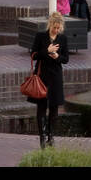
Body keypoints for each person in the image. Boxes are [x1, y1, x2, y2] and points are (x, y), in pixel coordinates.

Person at [29, 11, 70, 148]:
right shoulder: (40, 36)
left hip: (56, 77)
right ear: (50, 25)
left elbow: (66, 59)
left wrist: (57, 56)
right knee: (41, 107)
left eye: (58, 28)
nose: (56, 30)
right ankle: (42, 137)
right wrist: (47, 51)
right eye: (54, 27)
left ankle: (51, 137)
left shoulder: (63, 38)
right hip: (42, 76)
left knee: (54, 108)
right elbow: (33, 55)